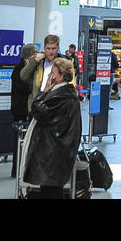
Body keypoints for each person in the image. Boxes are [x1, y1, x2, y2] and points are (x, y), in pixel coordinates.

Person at [22, 57, 81, 199]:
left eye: (52, 72)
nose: (49, 76)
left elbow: (37, 111)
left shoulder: (60, 96)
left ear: (60, 76)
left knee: (51, 191)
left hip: (53, 152)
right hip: (56, 151)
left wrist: (44, 91)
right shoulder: (66, 94)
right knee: (51, 189)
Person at [10, 43, 38, 179]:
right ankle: (17, 169)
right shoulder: (20, 69)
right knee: (19, 142)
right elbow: (26, 87)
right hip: (20, 111)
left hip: (26, 110)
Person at [21, 34, 69, 109]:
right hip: (37, 104)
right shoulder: (38, 61)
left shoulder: (64, 63)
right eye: (48, 48)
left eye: (54, 48)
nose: (51, 51)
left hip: (56, 106)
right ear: (44, 48)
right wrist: (35, 61)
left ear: (58, 48)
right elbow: (23, 76)